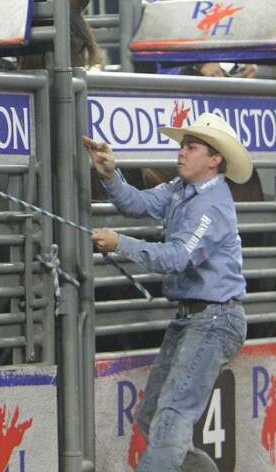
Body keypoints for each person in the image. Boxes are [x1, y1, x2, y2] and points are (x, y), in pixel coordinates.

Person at [85, 113, 250, 472]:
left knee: (170, 417)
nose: (181, 152)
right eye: (183, 146)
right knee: (157, 417)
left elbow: (177, 257)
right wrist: (110, 174)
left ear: (214, 158)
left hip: (214, 320)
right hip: (202, 318)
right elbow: (137, 204)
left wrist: (120, 242)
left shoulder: (211, 205)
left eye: (191, 147)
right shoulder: (181, 188)